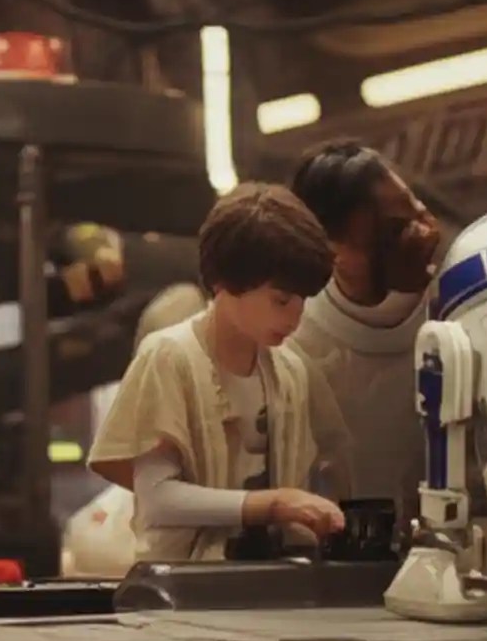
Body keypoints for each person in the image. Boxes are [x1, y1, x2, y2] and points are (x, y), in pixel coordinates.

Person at [87, 182, 350, 562]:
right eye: (281, 300)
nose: (295, 317)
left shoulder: (289, 370)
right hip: (181, 590)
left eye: (302, 301)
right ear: (225, 282)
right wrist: (274, 504)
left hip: (269, 585)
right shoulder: (170, 357)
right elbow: (157, 497)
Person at [285, 140, 448, 520]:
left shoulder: (461, 311)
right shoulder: (292, 340)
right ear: (331, 251)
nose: (421, 236)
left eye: (417, 214)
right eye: (392, 232)